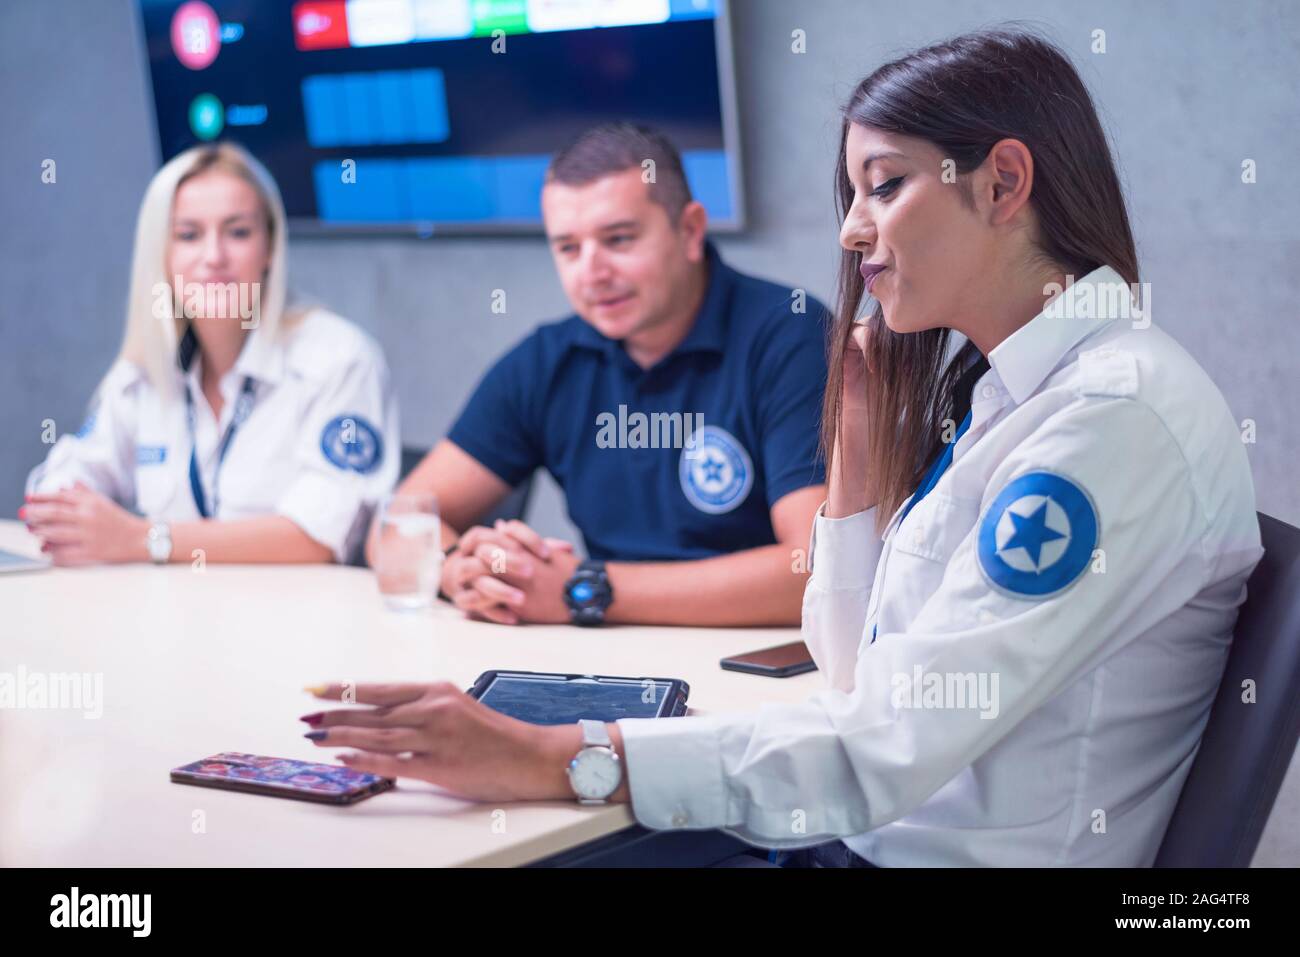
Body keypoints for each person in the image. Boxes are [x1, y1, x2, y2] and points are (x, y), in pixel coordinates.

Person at [301, 29, 1262, 866]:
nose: (850, 231)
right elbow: (853, 679)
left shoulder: (1108, 419)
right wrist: (853, 443)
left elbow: (883, 744)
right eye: (853, 193)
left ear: (1004, 182)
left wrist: (564, 757)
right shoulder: (1011, 395)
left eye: (883, 186)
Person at [372, 123, 828, 627]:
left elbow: (814, 570)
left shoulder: (793, 335)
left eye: (618, 239)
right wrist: (463, 570)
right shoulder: (548, 360)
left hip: (755, 664)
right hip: (602, 658)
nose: (591, 271)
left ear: (690, 231)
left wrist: (585, 589)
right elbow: (398, 529)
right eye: (568, 248)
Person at [23, 142, 398, 566]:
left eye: (238, 232)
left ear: (270, 248)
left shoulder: (339, 359)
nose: (214, 257)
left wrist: (144, 539)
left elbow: (316, 538)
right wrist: (63, 510)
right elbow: (69, 476)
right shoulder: (148, 367)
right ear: (161, 254)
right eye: (189, 235)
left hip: (299, 622)